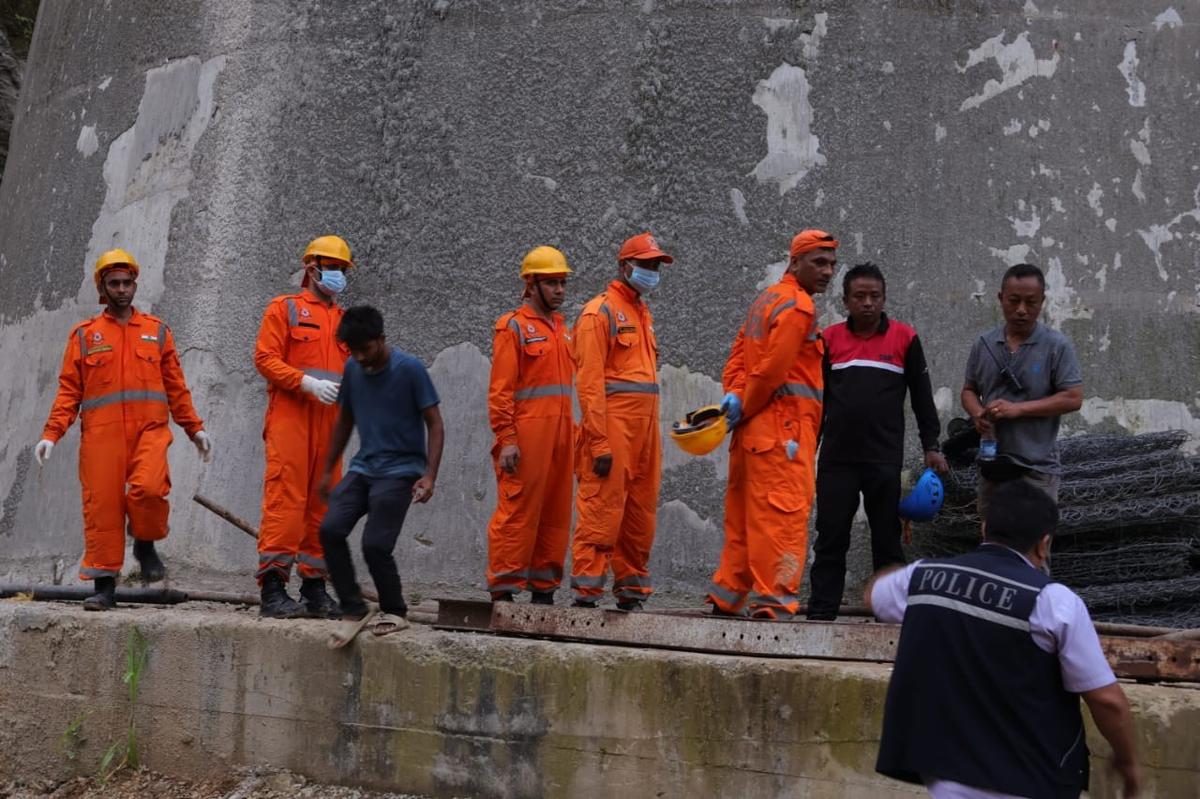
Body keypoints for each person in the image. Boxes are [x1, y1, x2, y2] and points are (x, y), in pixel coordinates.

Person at [869, 479, 1141, 799]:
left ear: (984, 529)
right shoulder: (1054, 602)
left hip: (946, 777)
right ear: (1043, 545)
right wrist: (1127, 761)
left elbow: (875, 594)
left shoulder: (921, 576)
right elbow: (1107, 700)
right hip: (1031, 780)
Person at [35, 249, 212, 610]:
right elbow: (70, 391)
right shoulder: (84, 335)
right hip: (102, 437)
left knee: (149, 488)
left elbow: (176, 387)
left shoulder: (157, 332)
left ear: (135, 285)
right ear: (103, 286)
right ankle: (104, 587)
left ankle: (145, 542)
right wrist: (51, 434)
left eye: (127, 283)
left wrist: (194, 428)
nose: (121, 289)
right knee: (103, 508)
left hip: (150, 430)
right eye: (114, 283)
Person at [806, 262, 948, 621]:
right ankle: (821, 616)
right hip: (837, 461)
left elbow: (922, 398)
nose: (868, 303)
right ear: (846, 300)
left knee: (886, 541)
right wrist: (808, 450)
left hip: (884, 461)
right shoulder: (829, 340)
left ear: (884, 299)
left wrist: (932, 445)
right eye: (860, 296)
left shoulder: (905, 338)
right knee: (830, 539)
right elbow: (817, 404)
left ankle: (892, 618)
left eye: (875, 296)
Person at [706, 229, 836, 619]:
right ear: (795, 262)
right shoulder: (797, 307)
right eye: (819, 262)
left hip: (753, 434)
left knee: (746, 516)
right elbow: (772, 372)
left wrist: (735, 398)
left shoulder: (765, 301)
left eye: (831, 263)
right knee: (783, 515)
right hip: (785, 433)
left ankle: (728, 596)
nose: (828, 271)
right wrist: (745, 403)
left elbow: (737, 359)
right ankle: (773, 605)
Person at [318, 305, 444, 635]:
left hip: (402, 469)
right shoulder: (353, 369)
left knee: (375, 545)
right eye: (353, 350)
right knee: (330, 530)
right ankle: (353, 607)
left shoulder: (410, 369)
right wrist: (327, 469)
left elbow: (435, 424)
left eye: (366, 349)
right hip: (364, 467)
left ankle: (394, 610)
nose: (360, 357)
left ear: (382, 339)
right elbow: (344, 422)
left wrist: (429, 474)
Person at [253, 235, 354, 619]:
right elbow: (264, 358)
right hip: (292, 417)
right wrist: (305, 383)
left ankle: (314, 587)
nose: (339, 275)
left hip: (331, 422)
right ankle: (273, 588)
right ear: (311, 268)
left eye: (343, 270)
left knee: (323, 505)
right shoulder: (285, 309)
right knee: (286, 500)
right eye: (333, 268)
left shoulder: (346, 322)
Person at [570, 232, 672, 611]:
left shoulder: (641, 313)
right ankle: (586, 595)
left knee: (639, 512)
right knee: (602, 509)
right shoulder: (599, 314)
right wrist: (598, 441)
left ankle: (631, 592)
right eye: (645, 264)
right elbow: (590, 384)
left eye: (655, 265)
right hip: (612, 429)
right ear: (624, 266)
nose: (652, 271)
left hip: (644, 432)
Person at [486, 246, 575, 604]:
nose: (559, 290)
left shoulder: (562, 329)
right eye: (552, 283)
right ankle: (504, 591)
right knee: (517, 511)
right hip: (526, 436)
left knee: (555, 514)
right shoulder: (513, 328)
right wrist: (507, 437)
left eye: (563, 283)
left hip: (562, 435)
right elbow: (500, 390)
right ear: (531, 285)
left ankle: (544, 591)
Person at [962, 262, 1083, 517]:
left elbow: (1073, 398)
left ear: (1043, 301)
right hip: (992, 467)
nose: (1021, 310)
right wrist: (976, 413)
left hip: (1037, 470)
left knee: (1033, 552)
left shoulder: (1056, 346)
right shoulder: (983, 344)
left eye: (1031, 302)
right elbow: (969, 389)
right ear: (1000, 298)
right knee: (993, 546)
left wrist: (1018, 410)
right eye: (1013, 300)